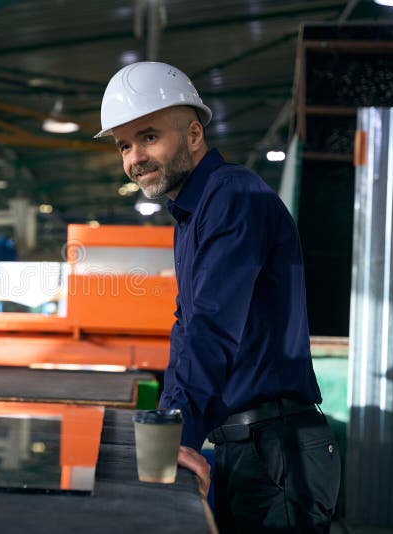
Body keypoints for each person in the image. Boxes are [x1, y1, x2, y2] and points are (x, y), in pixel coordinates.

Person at [97, 62, 340, 533]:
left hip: (276, 452)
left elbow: (210, 327)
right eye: (123, 146)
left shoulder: (232, 197)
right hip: (245, 446)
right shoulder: (191, 213)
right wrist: (165, 433)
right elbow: (186, 328)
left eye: (148, 137)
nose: (134, 158)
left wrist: (174, 440)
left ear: (193, 134)